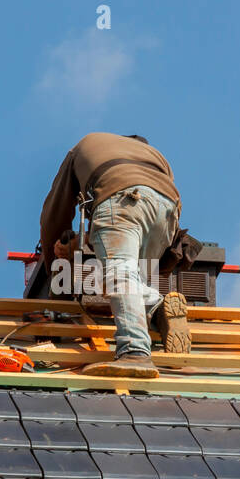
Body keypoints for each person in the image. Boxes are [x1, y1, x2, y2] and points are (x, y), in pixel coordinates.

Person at [39, 132, 190, 378]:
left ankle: (135, 352)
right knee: (130, 278)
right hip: (167, 212)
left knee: (119, 273)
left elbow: (54, 214)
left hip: (119, 200)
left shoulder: (86, 144)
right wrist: (80, 243)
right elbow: (133, 219)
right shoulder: (155, 155)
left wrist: (54, 272)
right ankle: (158, 307)